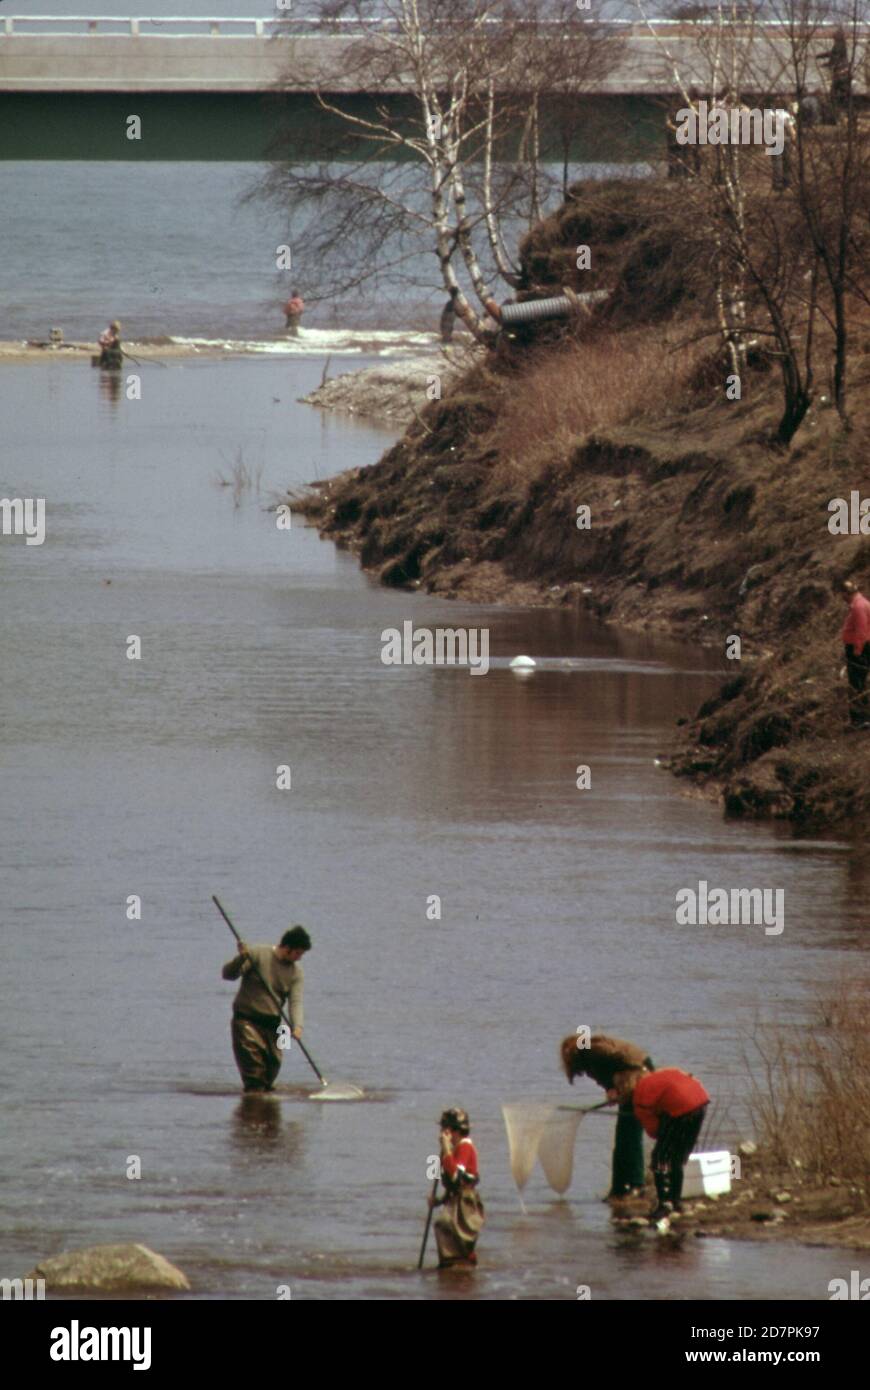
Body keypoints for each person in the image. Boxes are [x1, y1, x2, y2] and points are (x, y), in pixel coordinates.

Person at [560, 1032, 653, 1199]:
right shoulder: (591, 1054)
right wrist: (613, 1090)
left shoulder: (591, 1052)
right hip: (636, 1076)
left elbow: (622, 1059)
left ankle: (635, 1185)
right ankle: (621, 1187)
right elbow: (609, 1069)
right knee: (624, 1137)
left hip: (639, 1078)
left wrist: (615, 1087)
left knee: (629, 1136)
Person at [611, 1066, 709, 1224]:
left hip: (682, 1107)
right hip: (700, 1101)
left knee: (660, 1158)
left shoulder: (639, 1098)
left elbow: (653, 1131)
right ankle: (676, 1202)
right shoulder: (656, 1076)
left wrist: (658, 1119)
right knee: (677, 1156)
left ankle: (665, 1204)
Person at [222, 926, 311, 1093]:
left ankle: (267, 1110)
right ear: (287, 947)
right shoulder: (257, 954)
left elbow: (295, 1001)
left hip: (276, 1024)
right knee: (254, 1073)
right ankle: (252, 1111)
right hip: (247, 1020)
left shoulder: (296, 973)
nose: (299, 958)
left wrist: (298, 1026)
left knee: (272, 1070)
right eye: (298, 953)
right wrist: (241, 958)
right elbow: (227, 975)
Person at [430, 1108, 484, 1268]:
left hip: (465, 1204)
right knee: (444, 1228)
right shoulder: (453, 1149)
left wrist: (446, 1149)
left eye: (444, 1129)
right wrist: (438, 1200)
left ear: (453, 1131)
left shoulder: (464, 1147)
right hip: (454, 1200)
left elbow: (455, 1177)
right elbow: (440, 1175)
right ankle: (451, 1267)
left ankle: (459, 1267)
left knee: (450, 1230)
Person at [840, 579, 870, 728]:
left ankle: (861, 719)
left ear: (846, 593)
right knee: (859, 683)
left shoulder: (858, 606)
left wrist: (857, 651)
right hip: (861, 648)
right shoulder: (861, 603)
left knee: (857, 684)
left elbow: (862, 631)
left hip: (860, 649)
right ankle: (861, 718)